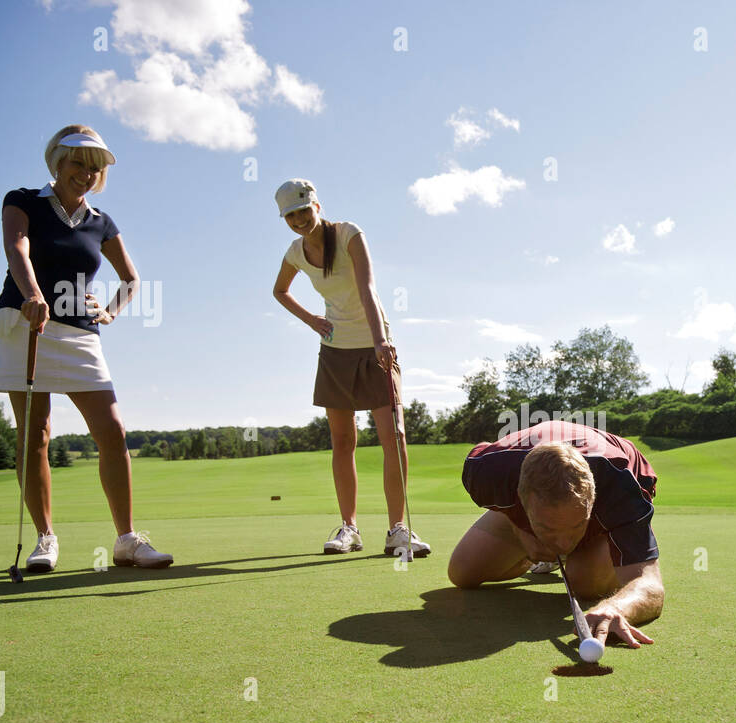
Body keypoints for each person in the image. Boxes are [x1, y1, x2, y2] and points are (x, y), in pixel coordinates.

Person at [0, 124, 172, 572]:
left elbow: (131, 279)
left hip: (80, 332)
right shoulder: (23, 200)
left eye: (95, 169)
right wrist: (33, 294)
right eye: (78, 164)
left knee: (112, 431)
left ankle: (126, 540)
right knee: (36, 437)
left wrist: (109, 311)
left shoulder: (101, 221)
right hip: (25, 322)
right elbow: (17, 248)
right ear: (58, 162)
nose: (86, 174)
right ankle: (46, 538)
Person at [272, 179, 429, 558]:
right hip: (334, 351)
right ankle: (350, 529)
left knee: (394, 437)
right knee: (342, 441)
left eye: (303, 211)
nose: (297, 220)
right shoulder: (295, 252)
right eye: (289, 215)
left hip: (374, 344)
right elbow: (279, 291)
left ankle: (397, 530)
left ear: (317, 206)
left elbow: (367, 290)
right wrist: (312, 320)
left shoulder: (348, 235)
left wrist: (380, 340)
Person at [448, 421, 663, 648]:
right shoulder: (485, 471)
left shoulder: (621, 490)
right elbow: (482, 448)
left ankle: (612, 532)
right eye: (547, 528)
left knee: (584, 584)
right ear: (521, 499)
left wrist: (615, 608)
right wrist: (519, 530)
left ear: (593, 499)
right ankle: (545, 543)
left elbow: (649, 584)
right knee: (463, 574)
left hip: (616, 481)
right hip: (526, 482)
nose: (563, 544)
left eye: (577, 525)